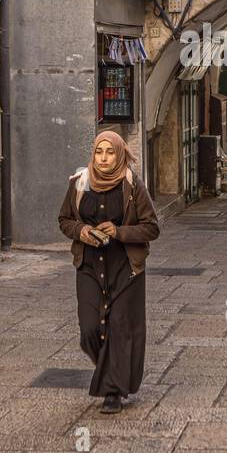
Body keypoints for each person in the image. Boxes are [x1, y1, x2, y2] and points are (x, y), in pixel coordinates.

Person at [57, 130, 159, 414]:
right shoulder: (79, 184)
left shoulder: (133, 185)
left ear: (120, 154)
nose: (103, 158)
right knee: (89, 328)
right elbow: (64, 220)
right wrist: (82, 231)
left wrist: (119, 231)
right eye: (99, 152)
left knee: (119, 328)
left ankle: (113, 391)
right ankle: (111, 369)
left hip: (125, 267)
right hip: (89, 265)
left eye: (110, 152)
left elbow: (152, 228)